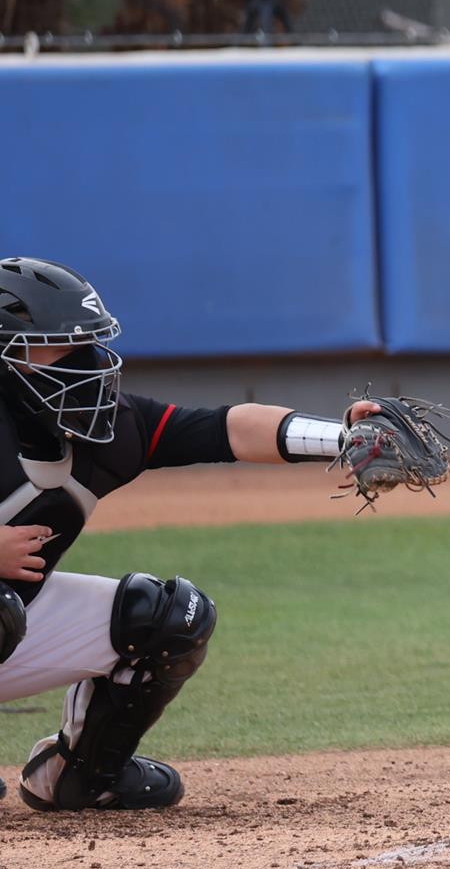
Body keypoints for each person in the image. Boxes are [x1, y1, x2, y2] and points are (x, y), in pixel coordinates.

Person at [0, 256, 382, 811]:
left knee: (169, 618)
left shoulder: (107, 427)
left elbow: (225, 428)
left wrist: (343, 438)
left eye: (90, 346)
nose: (87, 364)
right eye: (62, 348)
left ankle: (83, 774)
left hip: (17, 623)